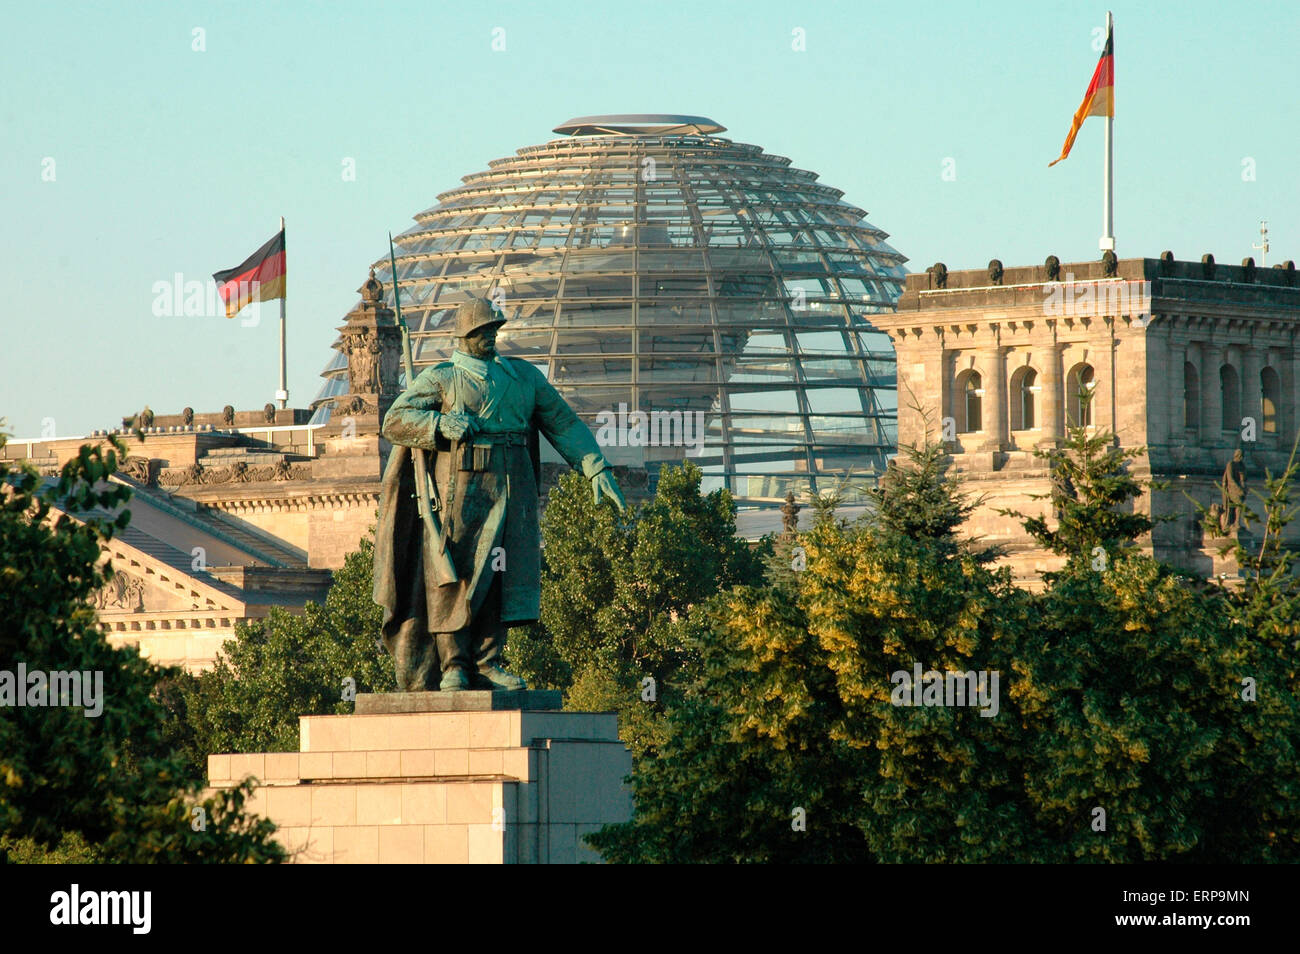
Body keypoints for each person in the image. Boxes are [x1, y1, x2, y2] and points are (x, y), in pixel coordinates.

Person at [373, 297, 625, 691]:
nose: (490, 336)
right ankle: (454, 663)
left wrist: (594, 467)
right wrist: (440, 423)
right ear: (464, 336)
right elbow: (396, 420)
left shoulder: (523, 377)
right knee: (452, 575)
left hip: (513, 482)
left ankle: (488, 661)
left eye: (493, 329)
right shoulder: (441, 377)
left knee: (499, 572)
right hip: (460, 484)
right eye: (481, 331)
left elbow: (562, 422)